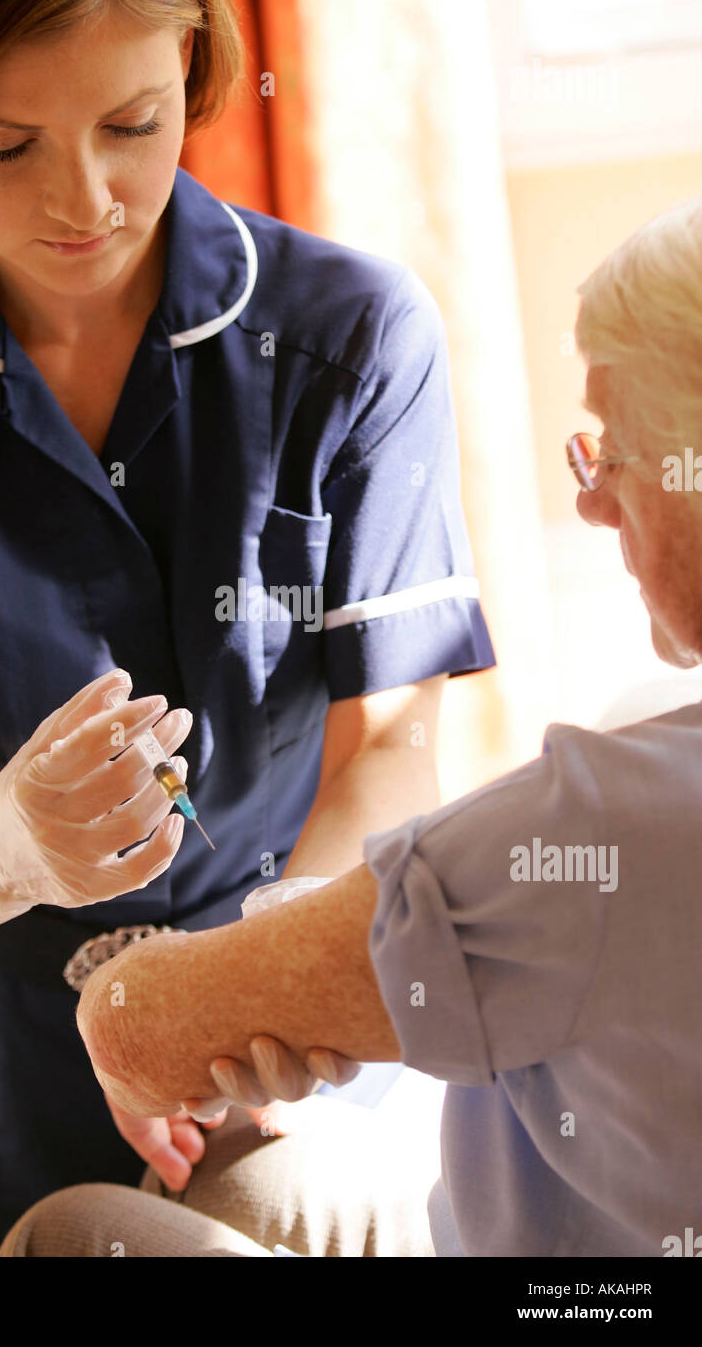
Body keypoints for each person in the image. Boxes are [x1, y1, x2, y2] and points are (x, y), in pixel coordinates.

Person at [0, 0, 494, 1256]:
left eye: (132, 125)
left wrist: (237, 988)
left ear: (192, 57)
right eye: (7, 142)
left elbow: (397, 748)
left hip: (268, 1032)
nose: (85, 200)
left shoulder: (352, 340)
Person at [71, 196, 702, 1257]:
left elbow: (140, 1029)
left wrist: (125, 978)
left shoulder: (615, 818)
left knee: (76, 1231)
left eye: (616, 453)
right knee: (262, 1183)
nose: (592, 503)